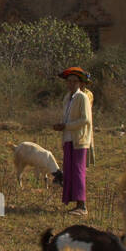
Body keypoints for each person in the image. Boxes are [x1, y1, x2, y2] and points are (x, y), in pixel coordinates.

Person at [51, 67, 93, 215]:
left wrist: (67, 125)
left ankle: (82, 206)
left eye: (75, 81)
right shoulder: (67, 97)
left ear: (80, 83)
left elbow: (85, 120)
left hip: (79, 139)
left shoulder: (82, 97)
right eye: (69, 81)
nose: (71, 84)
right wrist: (61, 125)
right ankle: (75, 202)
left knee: (78, 171)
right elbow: (67, 117)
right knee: (69, 171)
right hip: (68, 138)